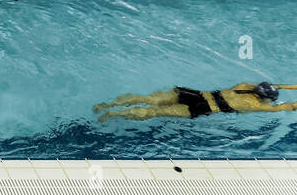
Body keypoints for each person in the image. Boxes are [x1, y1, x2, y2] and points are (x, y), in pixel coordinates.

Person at [94, 82, 297, 122]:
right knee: (153, 112)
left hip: (197, 94)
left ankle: (107, 106)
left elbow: (277, 85)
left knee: (148, 99)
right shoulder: (257, 106)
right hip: (204, 107)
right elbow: (289, 106)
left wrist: (290, 86)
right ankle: (113, 115)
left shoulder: (244, 85)